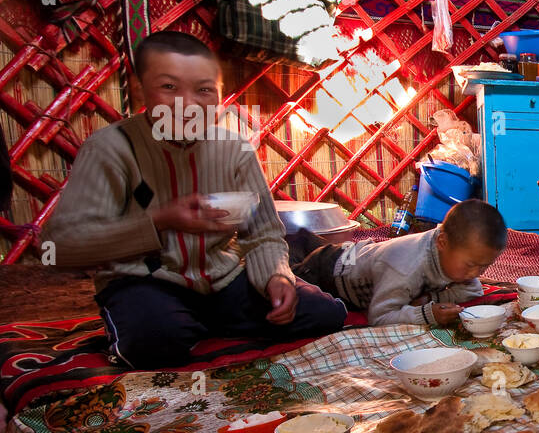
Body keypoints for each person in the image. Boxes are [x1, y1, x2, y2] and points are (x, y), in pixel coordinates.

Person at [43, 31, 347, 368]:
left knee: (321, 312)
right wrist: (159, 220)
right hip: (144, 280)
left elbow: (263, 234)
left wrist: (276, 277)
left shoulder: (235, 151)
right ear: (139, 87)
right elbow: (61, 245)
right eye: (169, 87)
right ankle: (177, 322)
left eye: (204, 90)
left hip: (223, 280)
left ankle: (201, 322)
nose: (188, 104)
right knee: (154, 340)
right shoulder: (111, 149)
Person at [288, 198, 506, 327]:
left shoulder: (455, 252)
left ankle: (303, 242)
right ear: (442, 241)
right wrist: (427, 313)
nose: (476, 272)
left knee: (310, 244)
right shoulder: (404, 268)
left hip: (363, 255)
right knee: (288, 274)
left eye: (484, 266)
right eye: (470, 265)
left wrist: (430, 298)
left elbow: (473, 290)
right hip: (328, 270)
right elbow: (379, 316)